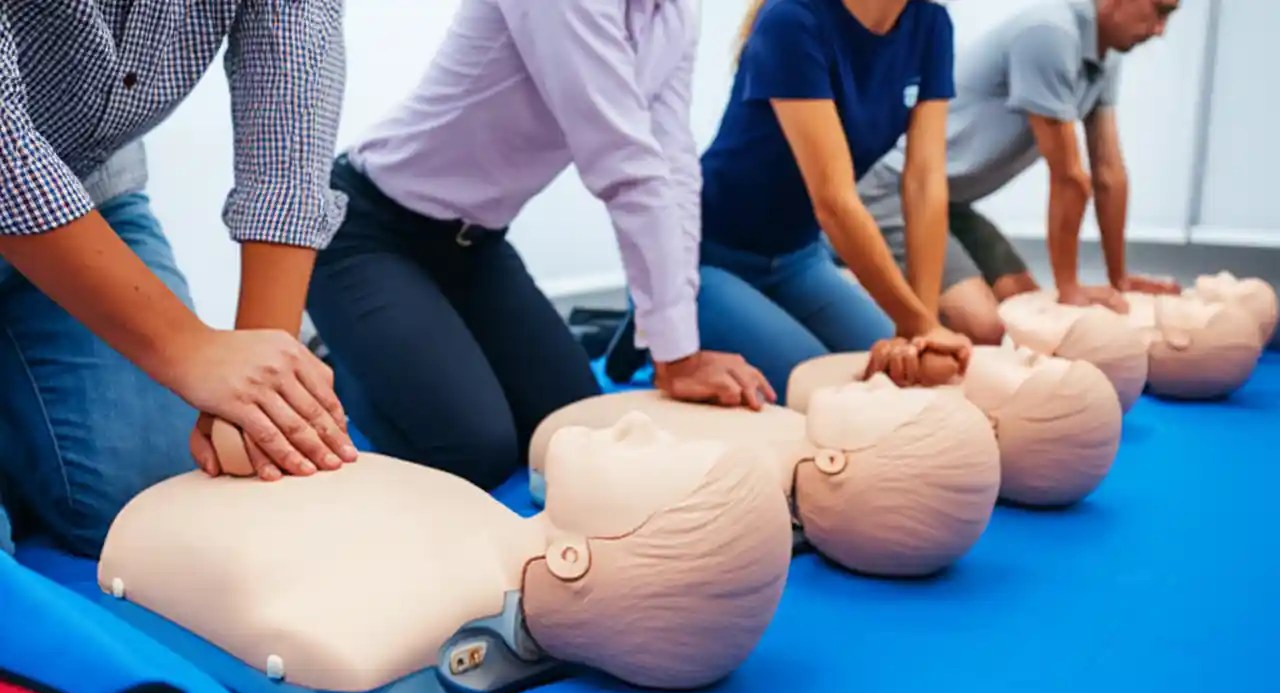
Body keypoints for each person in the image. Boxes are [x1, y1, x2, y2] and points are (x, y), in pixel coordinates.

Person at [305, 0, 774, 492]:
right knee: (472, 449)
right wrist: (677, 356)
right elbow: (626, 164)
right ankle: (344, 356)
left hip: (475, 248)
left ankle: (401, 345)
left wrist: (680, 334)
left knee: (574, 426)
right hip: (368, 232)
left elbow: (673, 164)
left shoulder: (676, 12)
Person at [0, 3, 357, 557]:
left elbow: (292, 106)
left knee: (153, 504)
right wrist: (186, 347)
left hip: (87, 190)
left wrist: (257, 398)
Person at [857, 0, 1182, 345]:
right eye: (1160, 11)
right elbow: (1069, 175)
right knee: (983, 327)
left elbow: (1108, 173)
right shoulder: (1049, 33)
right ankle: (856, 272)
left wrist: (1120, 280)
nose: (1160, 30)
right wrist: (1068, 288)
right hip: (893, 194)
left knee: (1024, 306)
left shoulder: (1107, 53)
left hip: (949, 202)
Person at [696, 0, 972, 400]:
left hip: (797, 259)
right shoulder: (790, 20)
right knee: (834, 393)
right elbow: (834, 201)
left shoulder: (930, 24)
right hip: (702, 256)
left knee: (905, 376)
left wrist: (920, 327)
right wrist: (917, 323)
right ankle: (653, 330)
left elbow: (925, 182)